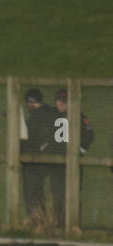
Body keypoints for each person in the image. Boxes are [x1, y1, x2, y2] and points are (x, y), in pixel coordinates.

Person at [50, 89, 94, 224]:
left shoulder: (59, 118)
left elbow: (89, 136)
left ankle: (67, 224)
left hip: (61, 164)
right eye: (59, 101)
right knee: (65, 195)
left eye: (63, 101)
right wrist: (79, 152)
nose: (60, 104)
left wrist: (77, 152)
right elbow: (90, 135)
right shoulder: (78, 116)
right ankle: (67, 224)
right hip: (64, 164)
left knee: (64, 195)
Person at [21, 87, 59, 219]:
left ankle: (39, 222)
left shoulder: (35, 118)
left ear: (30, 103)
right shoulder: (54, 113)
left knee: (32, 193)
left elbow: (29, 141)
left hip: (35, 161)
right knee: (54, 194)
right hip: (56, 160)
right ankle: (54, 222)